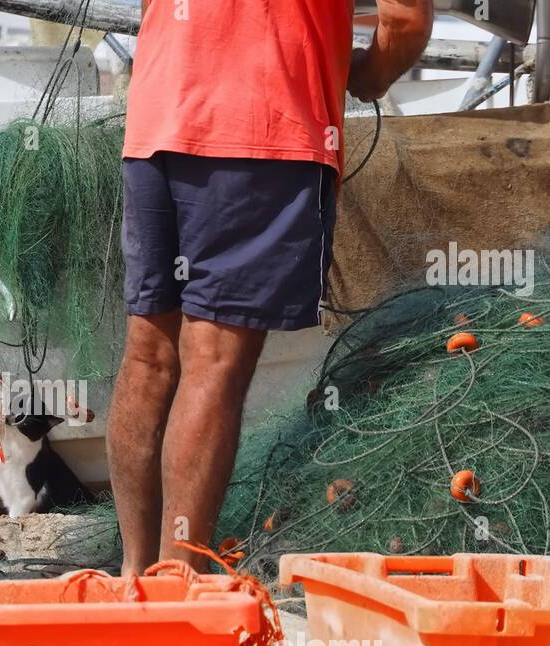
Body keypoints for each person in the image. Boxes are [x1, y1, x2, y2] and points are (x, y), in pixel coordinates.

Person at [109, 0, 433, 576]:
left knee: (149, 355)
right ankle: (177, 586)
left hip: (159, 114)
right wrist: (370, 74)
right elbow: (404, 17)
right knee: (213, 359)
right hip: (265, 128)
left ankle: (135, 576)